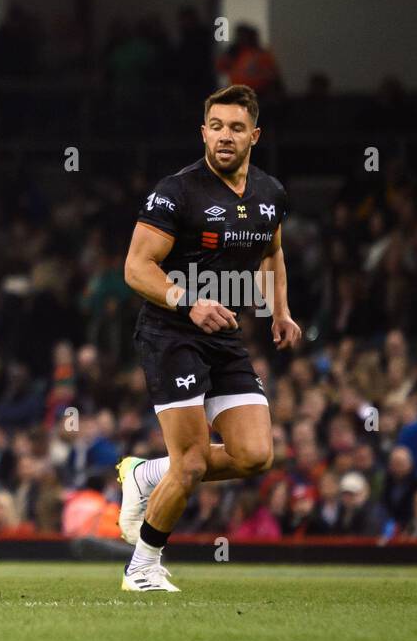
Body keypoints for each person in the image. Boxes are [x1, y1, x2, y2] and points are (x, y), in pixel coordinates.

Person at [116, 84, 301, 591]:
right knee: (193, 462)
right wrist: (189, 301)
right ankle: (143, 569)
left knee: (256, 456)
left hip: (223, 335)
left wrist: (279, 311)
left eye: (236, 128)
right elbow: (136, 267)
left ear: (254, 135)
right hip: (170, 331)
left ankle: (146, 475)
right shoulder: (176, 192)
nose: (224, 136)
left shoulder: (271, 194)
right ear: (203, 132)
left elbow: (272, 252)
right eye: (216, 126)